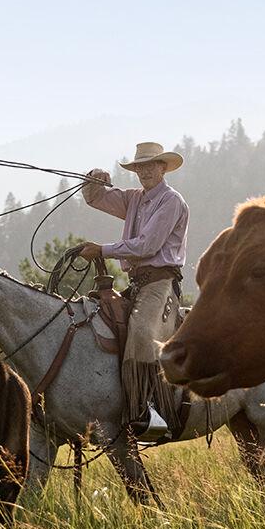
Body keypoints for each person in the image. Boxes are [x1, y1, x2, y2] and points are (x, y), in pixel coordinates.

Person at [77, 142, 190, 435]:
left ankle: (150, 409)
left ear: (163, 168)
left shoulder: (171, 202)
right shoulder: (134, 199)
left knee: (141, 330)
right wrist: (93, 179)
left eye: (151, 166)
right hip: (137, 284)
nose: (145, 172)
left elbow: (147, 245)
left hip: (160, 284)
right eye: (140, 167)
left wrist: (102, 250)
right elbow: (97, 198)